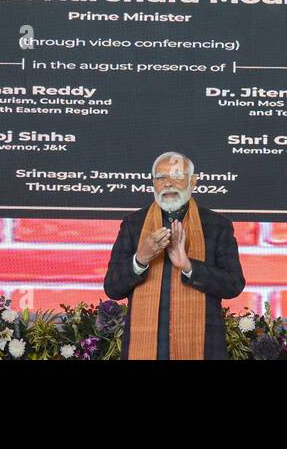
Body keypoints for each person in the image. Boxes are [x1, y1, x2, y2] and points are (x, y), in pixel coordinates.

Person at [104, 151, 245, 359]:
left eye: (177, 176)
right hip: (144, 348)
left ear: (193, 182)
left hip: (202, 348)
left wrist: (189, 266)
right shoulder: (133, 224)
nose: (168, 183)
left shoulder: (217, 225)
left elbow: (234, 285)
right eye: (161, 178)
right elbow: (112, 288)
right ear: (153, 184)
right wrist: (140, 259)